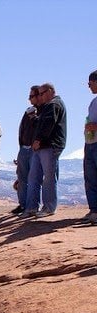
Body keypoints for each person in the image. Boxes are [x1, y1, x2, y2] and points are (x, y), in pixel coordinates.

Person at [23, 83, 67, 218]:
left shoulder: (54, 104)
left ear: (50, 91)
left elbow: (49, 124)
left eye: (42, 94)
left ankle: (48, 207)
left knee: (48, 177)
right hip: (42, 146)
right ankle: (31, 207)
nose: (40, 97)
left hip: (49, 145)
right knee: (33, 176)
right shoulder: (48, 106)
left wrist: (39, 140)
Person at [13, 86, 41, 215]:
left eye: (31, 96)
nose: (29, 99)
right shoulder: (27, 112)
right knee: (22, 177)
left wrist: (35, 118)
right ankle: (23, 204)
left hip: (35, 149)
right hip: (24, 148)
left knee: (34, 178)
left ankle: (33, 205)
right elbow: (22, 130)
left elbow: (41, 128)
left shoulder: (43, 111)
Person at [84, 70, 97, 223]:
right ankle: (94, 210)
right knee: (91, 177)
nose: (89, 86)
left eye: (90, 83)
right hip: (90, 142)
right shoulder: (93, 102)